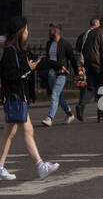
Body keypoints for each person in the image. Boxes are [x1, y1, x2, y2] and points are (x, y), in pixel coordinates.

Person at [0, 17, 59, 181]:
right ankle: (40, 166)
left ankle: (1, 166)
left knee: (9, 133)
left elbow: (39, 61)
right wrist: (28, 68)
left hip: (18, 98)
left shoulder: (21, 51)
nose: (28, 32)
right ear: (20, 32)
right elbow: (8, 75)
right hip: (15, 98)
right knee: (26, 131)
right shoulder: (10, 52)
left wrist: (57, 65)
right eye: (26, 29)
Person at [41, 24, 77, 126]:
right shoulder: (49, 43)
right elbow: (48, 59)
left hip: (61, 74)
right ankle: (70, 114)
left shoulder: (65, 44)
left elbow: (72, 59)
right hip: (51, 74)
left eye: (50, 31)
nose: (48, 33)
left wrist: (77, 73)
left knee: (55, 94)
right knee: (59, 96)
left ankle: (49, 118)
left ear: (56, 32)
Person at [78, 15, 103, 121]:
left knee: (91, 88)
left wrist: (87, 62)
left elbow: (83, 49)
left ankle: (81, 104)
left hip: (89, 64)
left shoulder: (91, 32)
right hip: (98, 66)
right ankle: (101, 115)